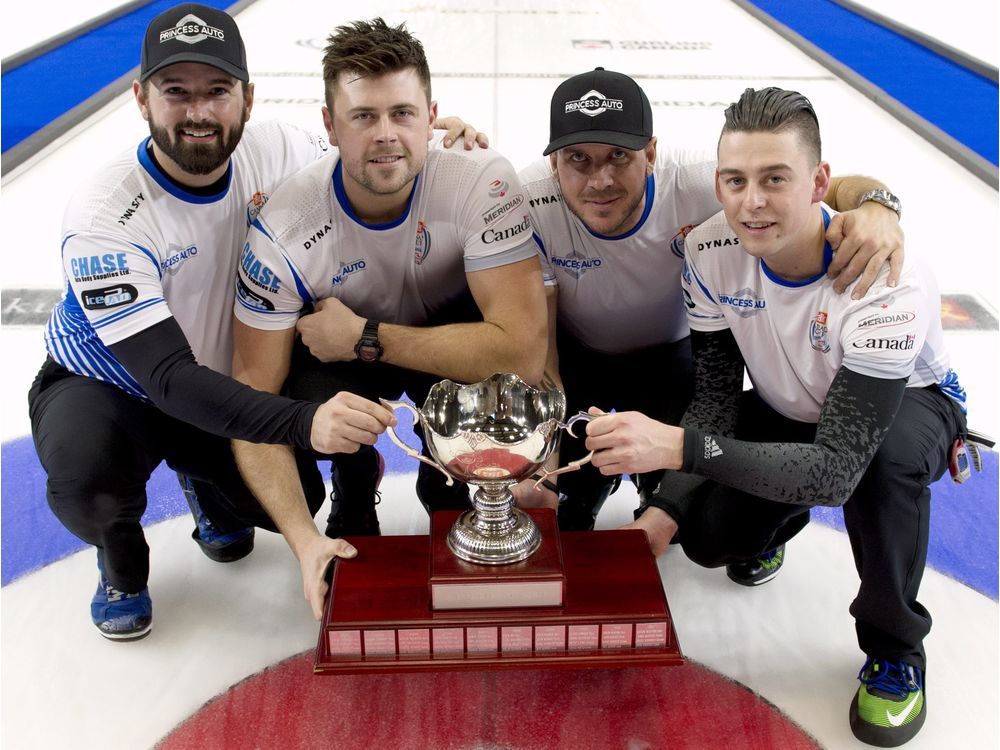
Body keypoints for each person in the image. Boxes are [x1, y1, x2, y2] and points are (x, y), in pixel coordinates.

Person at [27, 3, 482, 642]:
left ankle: (205, 485)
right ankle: (119, 556)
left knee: (295, 497)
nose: (199, 112)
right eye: (175, 92)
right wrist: (305, 421)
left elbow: (367, 147)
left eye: (217, 91)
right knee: (90, 486)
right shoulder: (106, 213)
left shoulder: (277, 149)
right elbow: (164, 377)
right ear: (140, 98)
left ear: (247, 98)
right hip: (112, 385)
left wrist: (443, 143)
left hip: (221, 381)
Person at [583, 87, 967, 747]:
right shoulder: (707, 253)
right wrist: (668, 507)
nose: (751, 201)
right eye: (735, 181)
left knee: (877, 470)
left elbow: (835, 468)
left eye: (774, 179)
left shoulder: (885, 276)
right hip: (797, 408)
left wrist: (679, 450)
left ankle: (896, 650)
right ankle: (768, 529)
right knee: (703, 536)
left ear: (820, 181)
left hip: (904, 408)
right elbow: (716, 399)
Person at [229, 18, 547, 619]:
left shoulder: (481, 177)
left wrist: (368, 337)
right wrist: (304, 540)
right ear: (329, 125)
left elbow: (523, 353)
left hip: (434, 349)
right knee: (278, 436)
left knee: (455, 482)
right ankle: (353, 481)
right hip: (340, 356)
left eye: (403, 113)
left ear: (432, 115)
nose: (385, 135)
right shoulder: (283, 226)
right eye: (363, 116)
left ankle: (454, 492)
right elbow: (251, 398)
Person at [517, 68, 907, 534]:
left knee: (693, 513)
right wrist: (544, 459)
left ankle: (760, 529)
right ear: (554, 164)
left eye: (619, 156)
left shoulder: (709, 181)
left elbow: (821, 185)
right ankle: (591, 484)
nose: (600, 180)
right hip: (578, 357)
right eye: (578, 159)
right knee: (560, 512)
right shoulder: (528, 199)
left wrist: (877, 207)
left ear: (652, 155)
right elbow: (536, 340)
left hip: (675, 358)